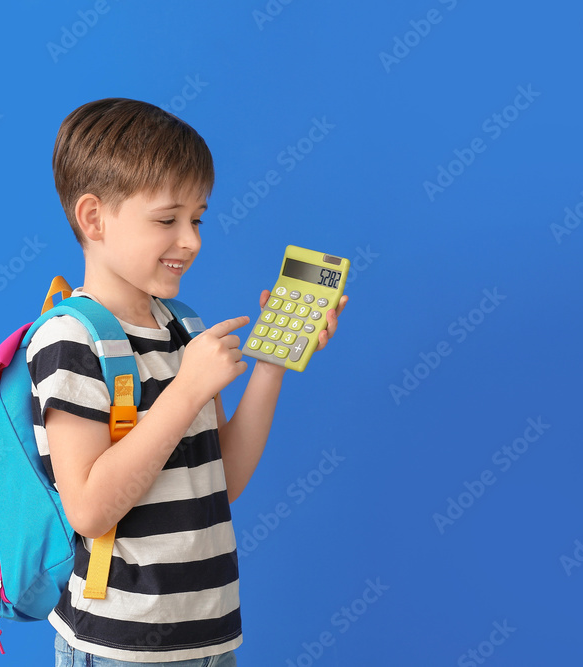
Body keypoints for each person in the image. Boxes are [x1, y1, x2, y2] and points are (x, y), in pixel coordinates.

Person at [28, 98, 346, 665]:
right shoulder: (70, 339)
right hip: (118, 645)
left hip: (210, 634)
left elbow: (222, 479)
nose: (192, 240)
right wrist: (189, 390)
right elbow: (90, 509)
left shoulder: (183, 328)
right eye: (167, 219)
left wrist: (271, 367)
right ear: (93, 218)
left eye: (197, 218)